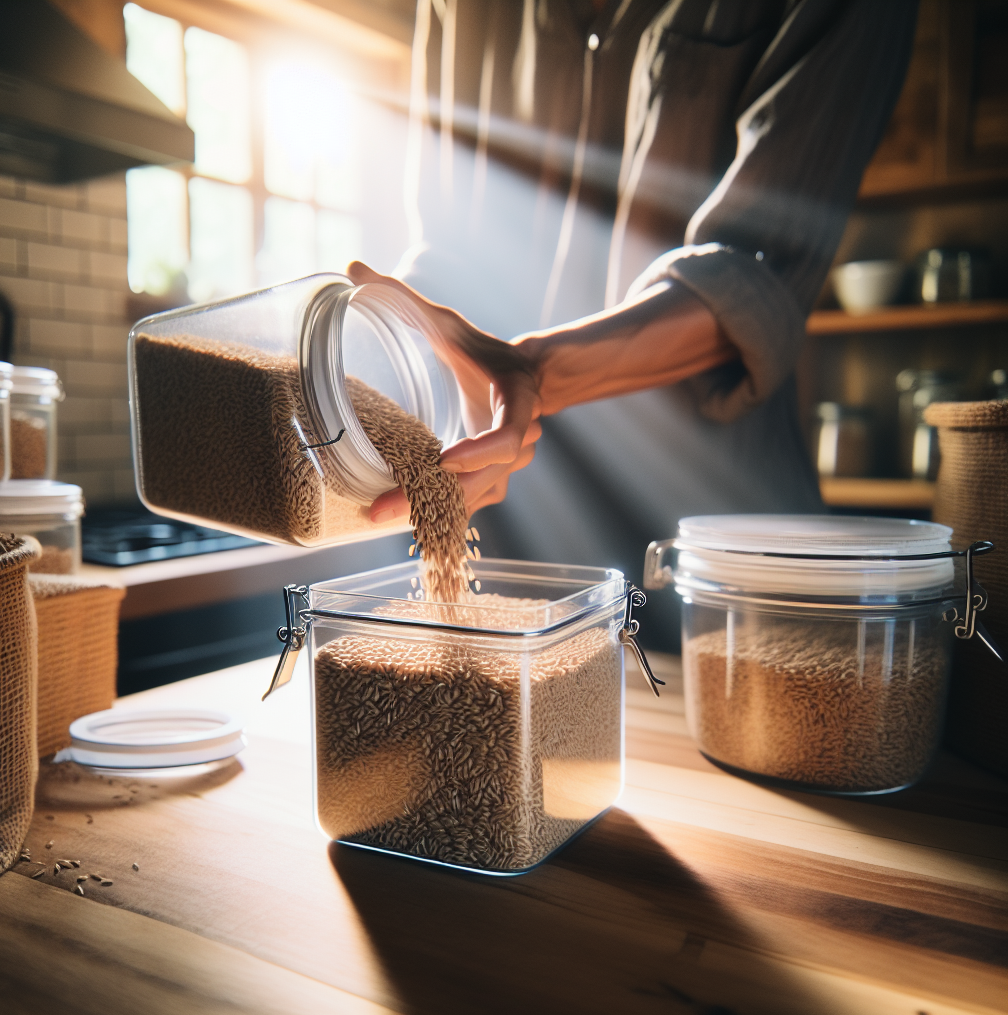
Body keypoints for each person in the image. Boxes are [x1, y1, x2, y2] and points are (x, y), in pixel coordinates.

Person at [351, 0, 917, 647]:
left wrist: (535, 371)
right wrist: (400, 349)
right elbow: (447, 247)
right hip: (512, 538)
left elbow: (752, 280)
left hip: (714, 565)